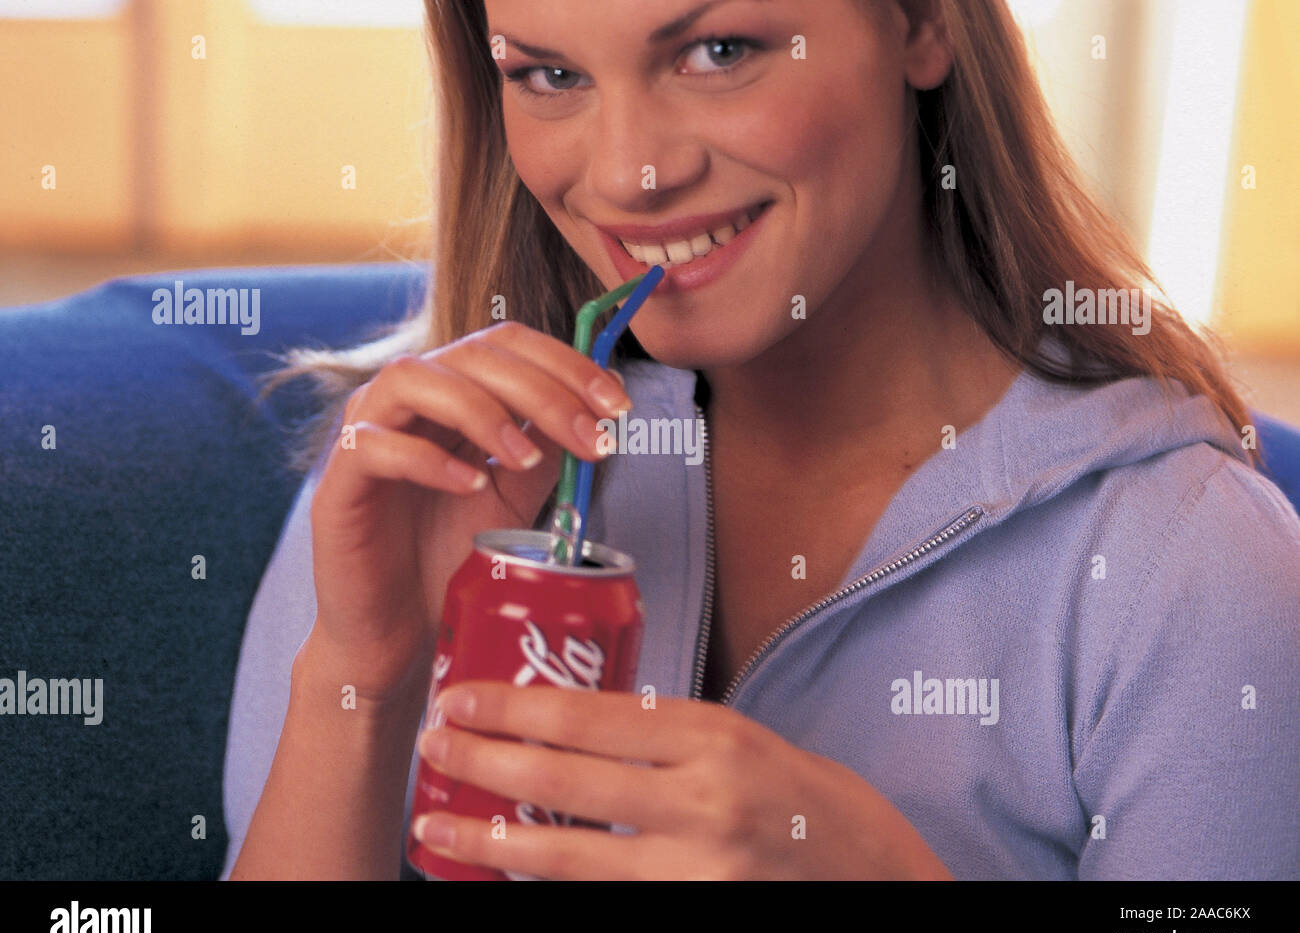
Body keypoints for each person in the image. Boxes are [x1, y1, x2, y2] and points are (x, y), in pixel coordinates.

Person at [221, 0, 1300, 879]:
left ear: (922, 23)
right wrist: (357, 681)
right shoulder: (426, 470)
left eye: (717, 51)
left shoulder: (1195, 574)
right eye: (549, 74)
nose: (628, 174)